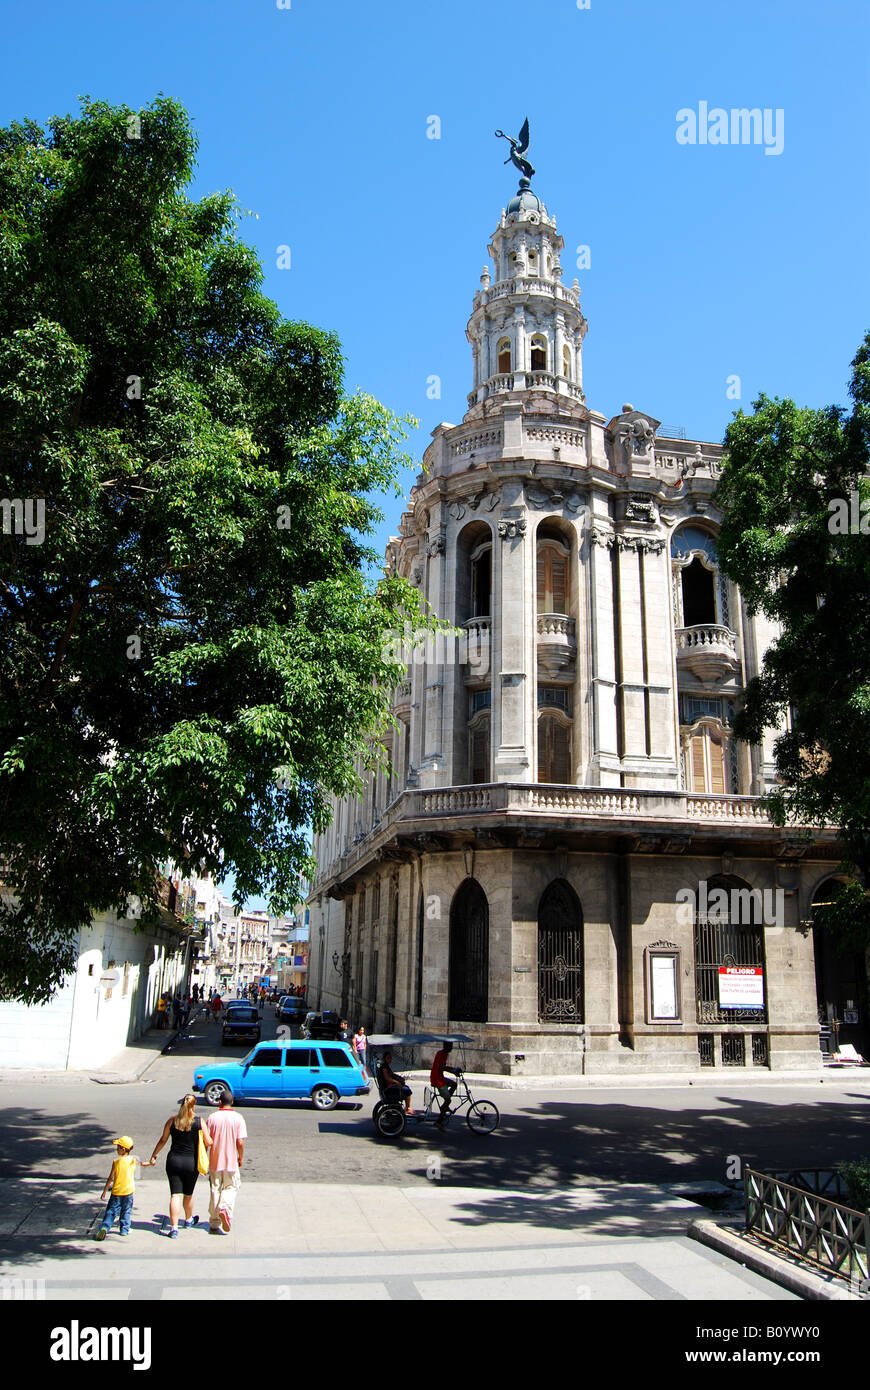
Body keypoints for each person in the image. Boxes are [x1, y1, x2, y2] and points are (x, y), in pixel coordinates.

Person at [145, 1093, 212, 1238]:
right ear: (194, 1105)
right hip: (191, 1163)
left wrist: (154, 1155)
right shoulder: (199, 1122)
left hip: (173, 1161)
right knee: (188, 1194)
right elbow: (208, 1142)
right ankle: (188, 1220)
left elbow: (163, 1140)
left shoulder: (172, 1120)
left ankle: (174, 1228)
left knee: (175, 1195)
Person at [205, 1090, 247, 1234]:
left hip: (214, 1160)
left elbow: (206, 1141)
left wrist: (204, 1158)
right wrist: (240, 1157)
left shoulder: (212, 1118)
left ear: (220, 1102)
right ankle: (224, 1207)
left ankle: (214, 1222)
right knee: (231, 1186)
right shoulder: (238, 1118)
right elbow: (240, 1142)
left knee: (215, 1188)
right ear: (232, 1102)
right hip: (231, 1161)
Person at [96, 1135, 139, 1240]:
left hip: (116, 1192)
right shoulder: (133, 1160)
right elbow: (142, 1164)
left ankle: (104, 1228)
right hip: (128, 1192)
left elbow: (110, 1178)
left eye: (118, 1147)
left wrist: (104, 1191)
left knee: (111, 1211)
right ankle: (124, 1230)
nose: (116, 1149)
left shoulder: (116, 1162)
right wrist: (151, 1162)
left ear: (123, 1149)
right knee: (126, 1211)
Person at [430, 1042, 460, 1129]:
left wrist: (453, 1069)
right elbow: (442, 1067)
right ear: (446, 1047)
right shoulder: (442, 1054)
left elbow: (443, 1066)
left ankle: (445, 1106)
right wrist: (453, 1072)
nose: (452, 1048)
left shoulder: (443, 1053)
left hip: (440, 1077)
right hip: (437, 1079)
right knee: (448, 1101)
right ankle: (439, 1121)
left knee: (454, 1084)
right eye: (450, 1046)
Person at [380, 1051, 414, 1116]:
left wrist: (400, 1078)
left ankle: (407, 1108)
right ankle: (407, 1108)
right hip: (388, 1088)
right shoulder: (384, 1068)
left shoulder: (387, 1066)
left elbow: (392, 1075)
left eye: (390, 1058)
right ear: (384, 1059)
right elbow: (387, 1078)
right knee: (407, 1091)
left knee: (406, 1087)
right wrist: (396, 1082)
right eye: (388, 1058)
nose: (390, 1059)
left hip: (391, 1086)